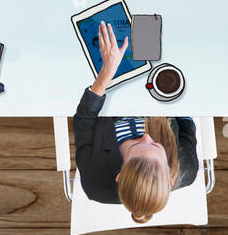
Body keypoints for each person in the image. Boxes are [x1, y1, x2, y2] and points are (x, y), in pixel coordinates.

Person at [73, 22, 199, 221]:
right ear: (171, 177)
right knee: (150, 25)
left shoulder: (93, 181)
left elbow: (83, 121)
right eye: (156, 146)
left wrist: (106, 74)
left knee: (109, 27)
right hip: (156, 81)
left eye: (137, 146)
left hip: (107, 83)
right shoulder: (188, 169)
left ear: (120, 175)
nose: (147, 136)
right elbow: (186, 119)